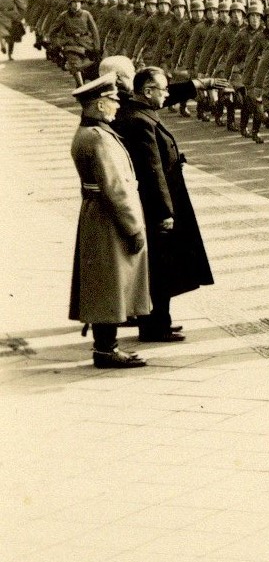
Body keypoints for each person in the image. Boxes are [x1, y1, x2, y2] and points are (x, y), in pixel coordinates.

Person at [114, 67, 213, 344]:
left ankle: (161, 321)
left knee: (164, 266)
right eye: (163, 90)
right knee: (159, 268)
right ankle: (155, 326)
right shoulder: (140, 120)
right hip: (156, 207)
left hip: (160, 201)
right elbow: (152, 170)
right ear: (148, 92)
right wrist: (165, 212)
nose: (167, 94)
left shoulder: (141, 112)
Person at [68, 74, 152, 369]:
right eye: (113, 102)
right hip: (108, 218)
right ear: (100, 105)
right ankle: (106, 349)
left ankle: (107, 346)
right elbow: (116, 188)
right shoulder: (98, 139)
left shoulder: (94, 134)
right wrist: (134, 227)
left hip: (98, 215)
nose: (117, 107)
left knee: (106, 282)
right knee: (110, 284)